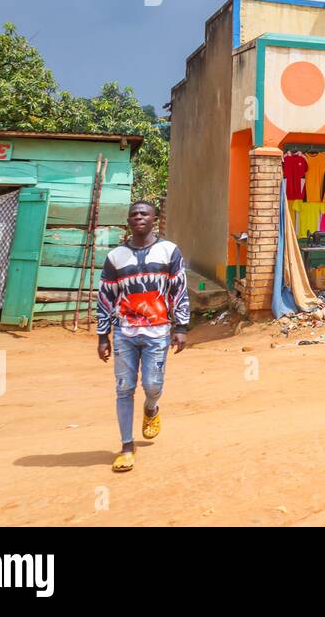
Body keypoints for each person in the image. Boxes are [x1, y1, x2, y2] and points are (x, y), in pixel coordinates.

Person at [96, 201, 189, 473]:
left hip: (158, 332)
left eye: (144, 214)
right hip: (125, 332)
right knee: (124, 388)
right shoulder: (115, 258)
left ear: (155, 219)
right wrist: (103, 336)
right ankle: (127, 446)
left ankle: (151, 408)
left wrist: (181, 327)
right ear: (128, 221)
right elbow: (105, 298)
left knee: (152, 384)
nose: (139, 217)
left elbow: (179, 291)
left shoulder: (169, 252)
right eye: (134, 214)